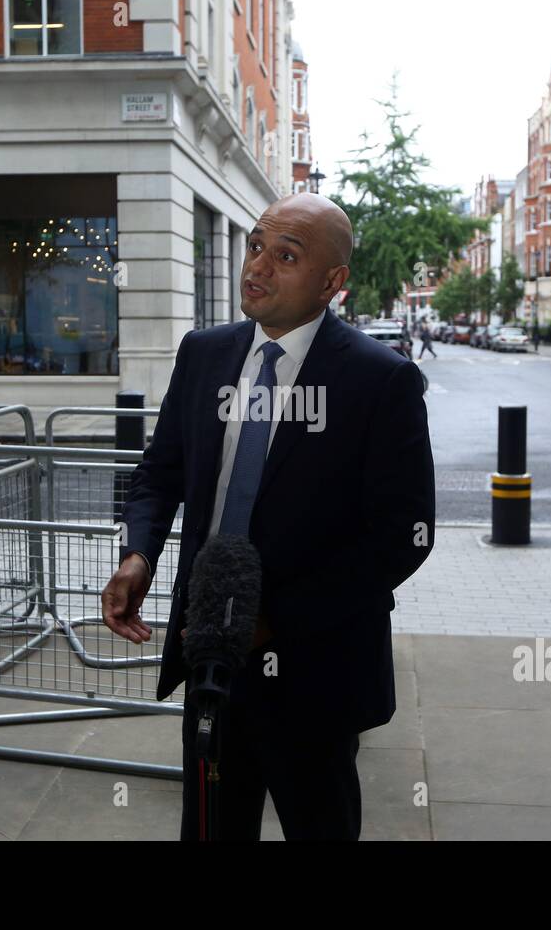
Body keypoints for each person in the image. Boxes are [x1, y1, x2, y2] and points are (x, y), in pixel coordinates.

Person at [101, 193, 436, 840]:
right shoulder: (204, 353)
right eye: (255, 245)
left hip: (319, 666)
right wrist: (138, 555)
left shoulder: (381, 381)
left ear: (332, 283)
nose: (257, 266)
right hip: (210, 655)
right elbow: (160, 471)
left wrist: (275, 621)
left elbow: (402, 537)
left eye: (285, 256)